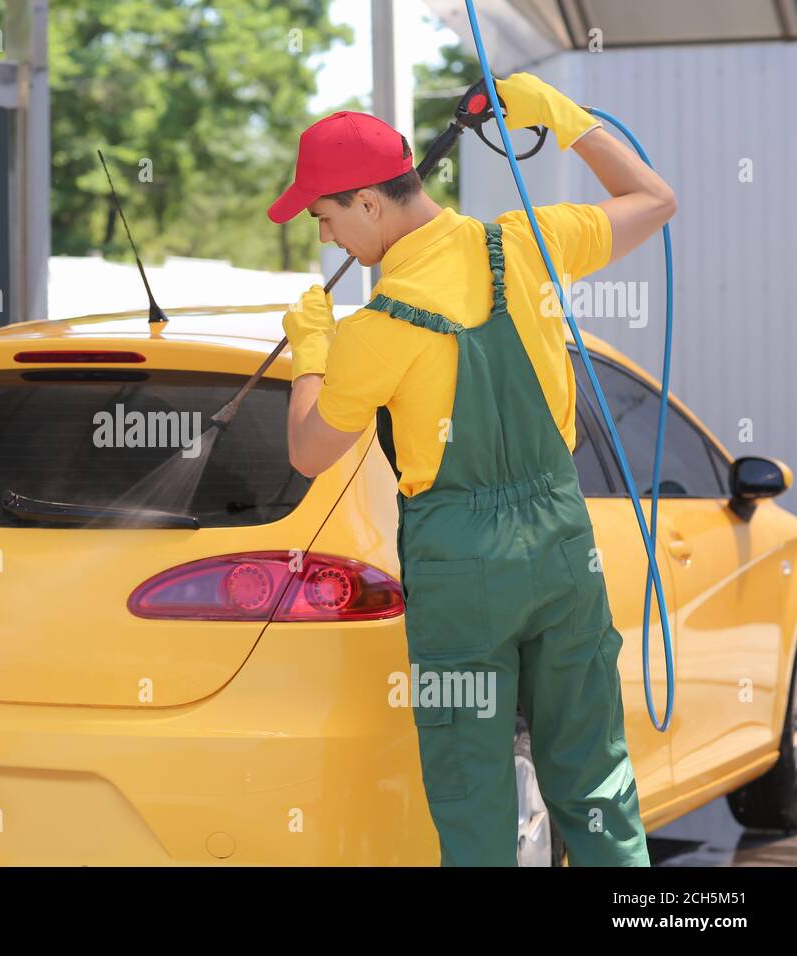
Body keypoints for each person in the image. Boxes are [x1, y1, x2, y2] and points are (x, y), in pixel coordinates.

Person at [268, 72, 676, 866]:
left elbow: (308, 452)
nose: (327, 240)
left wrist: (311, 354)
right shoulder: (525, 242)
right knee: (594, 779)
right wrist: (565, 118)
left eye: (324, 218)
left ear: (369, 204)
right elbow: (654, 199)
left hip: (461, 567)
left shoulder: (378, 329)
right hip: (562, 543)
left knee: (473, 792)